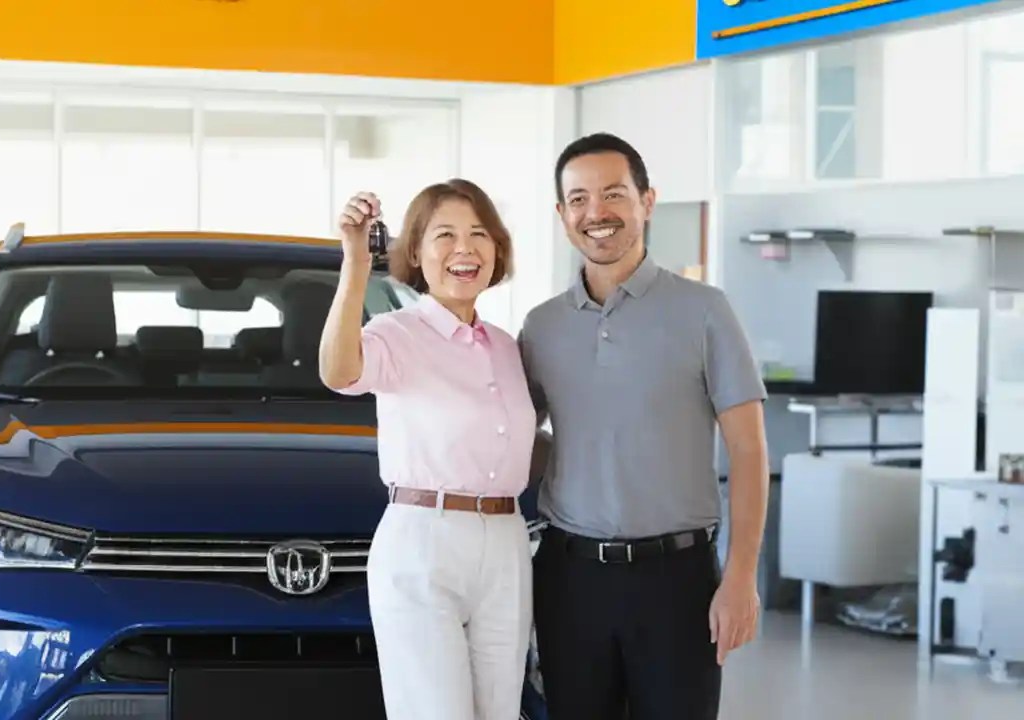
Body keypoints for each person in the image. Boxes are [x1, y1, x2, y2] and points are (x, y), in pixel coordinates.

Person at [518, 132, 771, 720]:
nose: (596, 213)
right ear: (562, 215)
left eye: (613, 194)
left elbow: (750, 452)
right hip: (568, 578)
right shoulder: (541, 327)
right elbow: (511, 439)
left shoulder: (706, 310)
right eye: (578, 199)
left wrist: (740, 578)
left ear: (647, 201)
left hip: (678, 582)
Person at [319, 180, 537, 720]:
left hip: (507, 542)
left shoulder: (508, 347)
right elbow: (338, 370)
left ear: (497, 250)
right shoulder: (397, 332)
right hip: (424, 540)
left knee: (499, 714)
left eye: (478, 234)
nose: (465, 249)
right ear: (416, 252)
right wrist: (354, 263)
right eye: (446, 235)